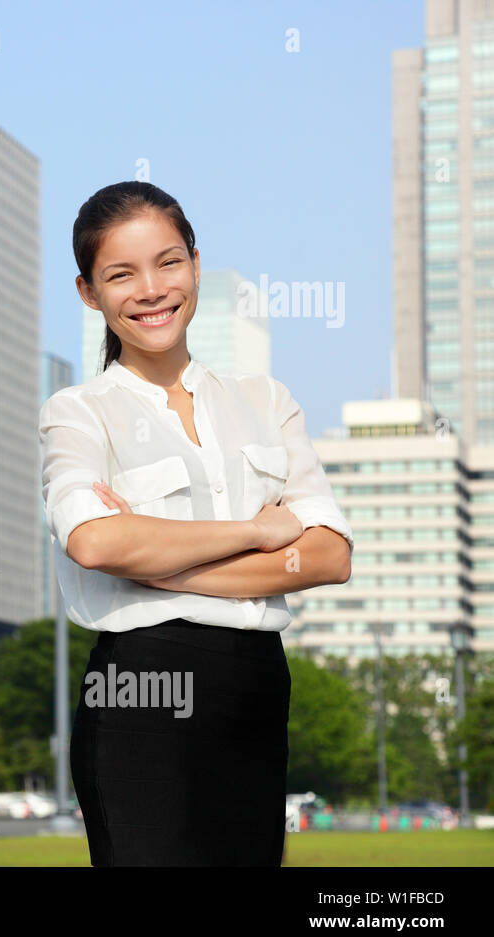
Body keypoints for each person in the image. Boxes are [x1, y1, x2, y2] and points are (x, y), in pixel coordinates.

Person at [41, 181, 353, 866]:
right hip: (140, 693)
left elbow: (329, 556)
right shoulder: (79, 411)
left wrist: (154, 558)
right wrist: (255, 532)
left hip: (258, 692)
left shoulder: (266, 401)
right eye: (121, 274)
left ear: (196, 263)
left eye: (169, 262)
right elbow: (95, 542)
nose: (151, 289)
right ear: (89, 293)